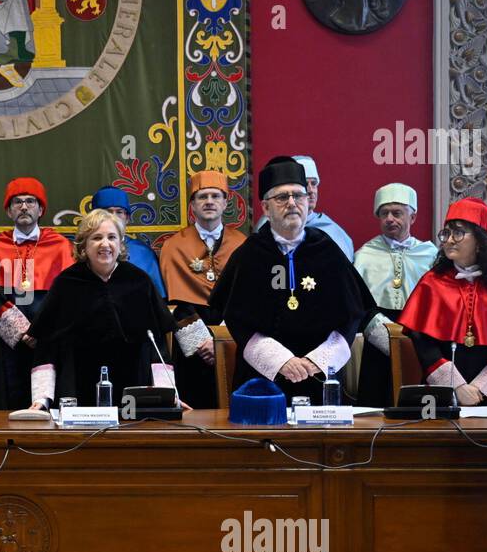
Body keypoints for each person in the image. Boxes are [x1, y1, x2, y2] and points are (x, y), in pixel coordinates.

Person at [208, 156, 374, 403]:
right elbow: (238, 321)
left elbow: (351, 317)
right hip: (264, 381)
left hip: (320, 377)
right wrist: (282, 361)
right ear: (265, 207)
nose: (292, 203)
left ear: (308, 201)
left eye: (299, 195)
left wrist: (315, 361)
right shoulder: (249, 254)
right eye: (282, 197)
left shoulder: (328, 250)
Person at [27, 209, 207, 407]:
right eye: (96, 238)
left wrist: (168, 394)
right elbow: (47, 347)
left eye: (112, 237)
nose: (105, 244)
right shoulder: (65, 284)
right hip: (77, 393)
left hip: (133, 391)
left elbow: (157, 347)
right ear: (84, 246)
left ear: (120, 244)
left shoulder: (139, 282)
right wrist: (41, 399)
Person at [399, 197, 487, 405]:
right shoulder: (431, 283)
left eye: (458, 232)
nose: (448, 240)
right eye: (446, 233)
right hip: (441, 395)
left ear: (481, 241)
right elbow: (424, 344)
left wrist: (479, 389)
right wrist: (457, 387)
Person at [0, 177, 73, 408]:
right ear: (9, 211)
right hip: (7, 345)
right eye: (17, 202)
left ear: (41, 209)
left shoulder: (61, 246)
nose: (24, 206)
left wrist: (40, 329)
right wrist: (22, 331)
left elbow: (67, 296)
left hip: (48, 340)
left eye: (30, 201)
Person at [159, 170, 246, 407]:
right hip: (190, 339)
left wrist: (222, 339)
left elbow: (246, 299)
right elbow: (174, 303)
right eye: (202, 196)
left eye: (215, 196)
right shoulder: (173, 246)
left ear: (225, 202)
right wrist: (202, 344)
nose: (209, 201)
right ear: (192, 205)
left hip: (232, 334)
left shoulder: (243, 244)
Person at [352, 183, 438, 404]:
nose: (390, 218)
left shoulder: (430, 254)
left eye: (397, 213)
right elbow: (358, 303)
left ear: (413, 217)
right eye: (384, 213)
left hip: (419, 337)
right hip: (376, 334)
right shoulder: (364, 255)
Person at [254, 155, 353, 259]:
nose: (311, 190)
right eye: (305, 184)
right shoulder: (266, 226)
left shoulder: (333, 231)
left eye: (314, 183)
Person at [90, 185, 166, 299]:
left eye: (119, 212)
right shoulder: (85, 250)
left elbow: (158, 300)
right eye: (107, 212)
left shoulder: (144, 253)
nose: (113, 218)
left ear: (127, 218)